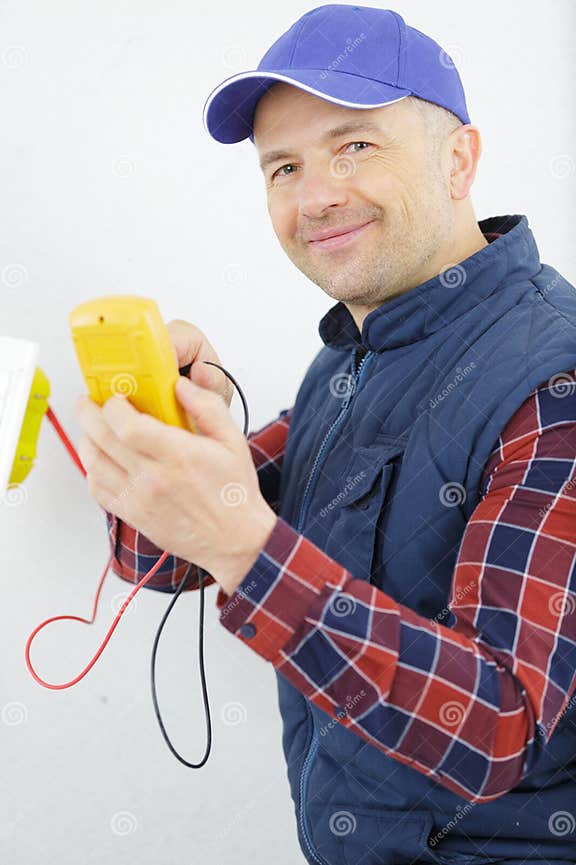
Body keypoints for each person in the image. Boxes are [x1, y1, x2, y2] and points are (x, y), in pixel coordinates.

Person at [75, 5, 576, 864]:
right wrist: (166, 417)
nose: (315, 195)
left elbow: (500, 723)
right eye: (284, 166)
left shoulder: (553, 380)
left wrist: (247, 550)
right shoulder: (347, 362)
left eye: (356, 146)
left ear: (459, 159)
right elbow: (164, 558)